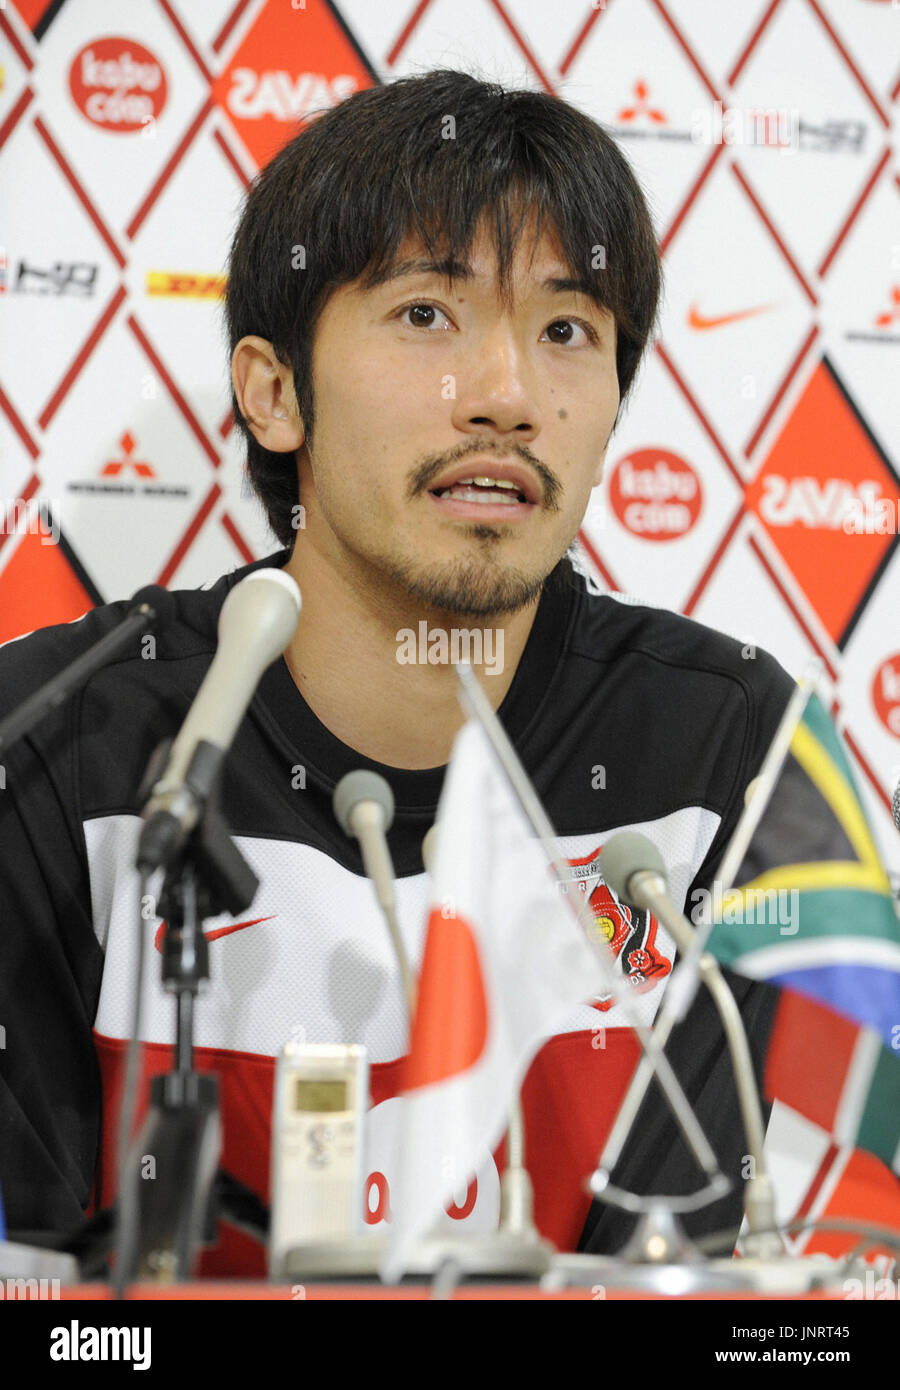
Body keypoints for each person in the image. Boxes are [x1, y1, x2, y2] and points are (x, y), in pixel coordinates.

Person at [0, 69, 858, 1278]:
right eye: (426, 315)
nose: (504, 396)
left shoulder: (741, 755)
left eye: (567, 330)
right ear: (275, 391)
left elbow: (720, 1285)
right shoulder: (51, 744)